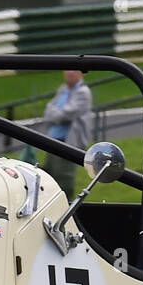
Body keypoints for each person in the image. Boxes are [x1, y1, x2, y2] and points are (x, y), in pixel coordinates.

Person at [35, 69, 94, 200]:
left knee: (63, 178)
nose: (69, 73)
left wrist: (54, 114)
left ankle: (65, 207)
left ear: (80, 73)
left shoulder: (83, 92)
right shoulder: (63, 89)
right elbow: (49, 109)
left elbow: (67, 114)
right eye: (67, 70)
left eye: (73, 70)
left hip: (68, 142)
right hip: (54, 139)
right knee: (49, 175)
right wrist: (55, 114)